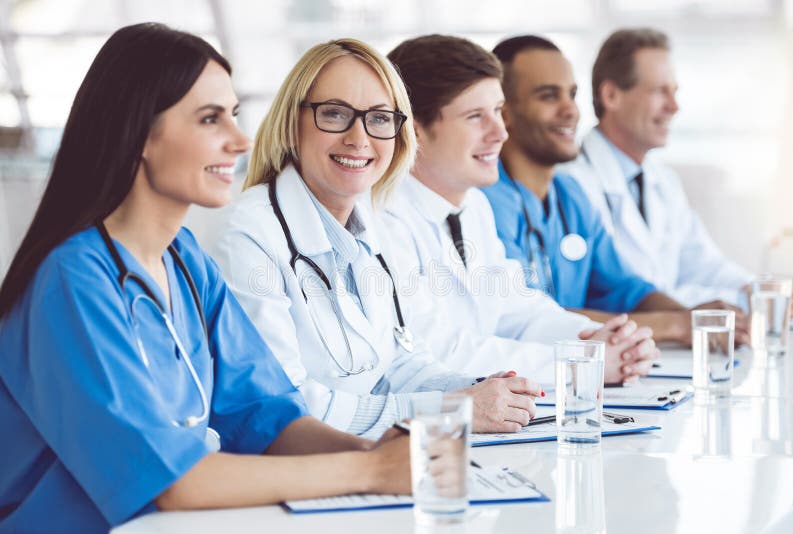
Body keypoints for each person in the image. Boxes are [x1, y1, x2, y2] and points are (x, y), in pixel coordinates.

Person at [0, 24, 412, 534]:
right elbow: (170, 483)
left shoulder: (185, 262)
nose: (240, 141)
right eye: (210, 119)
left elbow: (264, 417)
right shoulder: (73, 281)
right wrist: (369, 470)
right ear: (140, 132)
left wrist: (383, 455)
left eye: (235, 115)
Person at [210, 38, 543, 440]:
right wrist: (452, 407)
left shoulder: (367, 225)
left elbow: (396, 363)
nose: (359, 137)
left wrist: (476, 388)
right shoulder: (249, 233)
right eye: (334, 114)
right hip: (304, 472)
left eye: (380, 118)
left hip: (370, 456)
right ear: (291, 121)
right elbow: (285, 407)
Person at [380, 34, 659, 385]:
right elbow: (440, 350)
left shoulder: (472, 206)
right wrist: (578, 366)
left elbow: (518, 310)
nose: (500, 131)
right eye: (475, 116)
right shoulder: (383, 220)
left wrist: (597, 340)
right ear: (415, 131)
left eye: (498, 111)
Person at [481, 34, 736, 345]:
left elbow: (625, 289)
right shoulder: (485, 202)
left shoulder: (570, 195)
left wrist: (696, 320)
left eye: (571, 95)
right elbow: (525, 317)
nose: (570, 111)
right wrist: (677, 326)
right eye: (548, 96)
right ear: (502, 111)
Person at [560, 28, 752, 310]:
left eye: (674, 92)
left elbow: (703, 264)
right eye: (660, 91)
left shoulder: (664, 181)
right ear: (612, 95)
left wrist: (757, 291)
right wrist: (700, 312)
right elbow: (618, 292)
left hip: (668, 341)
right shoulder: (571, 181)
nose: (674, 107)